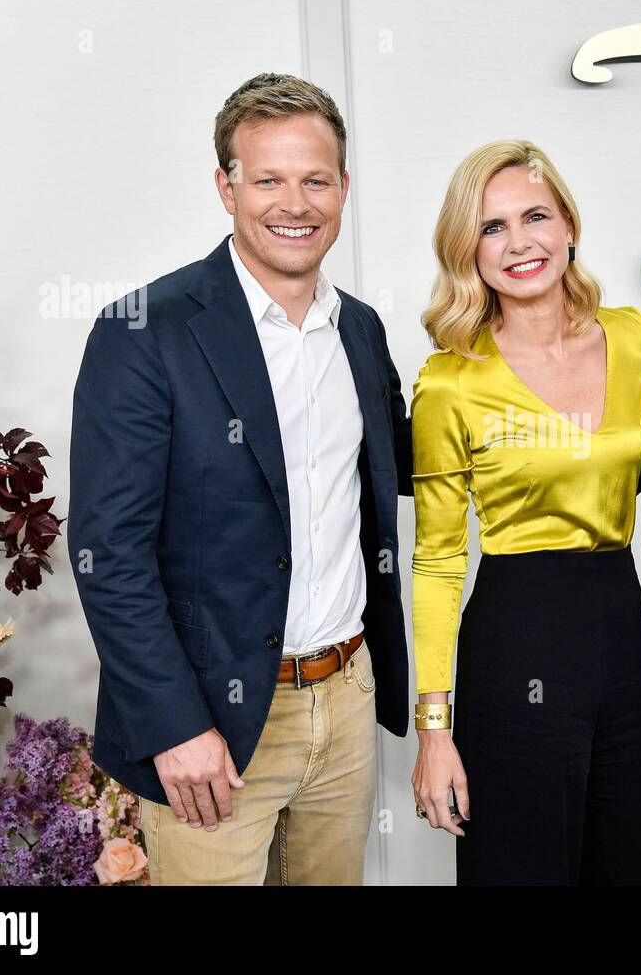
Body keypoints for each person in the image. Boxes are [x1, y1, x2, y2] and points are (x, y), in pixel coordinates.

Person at [68, 73, 412, 885]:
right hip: (211, 722)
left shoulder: (360, 329)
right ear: (226, 187)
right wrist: (172, 725)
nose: (294, 203)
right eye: (267, 179)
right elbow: (108, 551)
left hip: (347, 693)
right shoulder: (144, 332)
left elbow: (403, 470)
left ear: (344, 188)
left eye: (314, 179)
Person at [409, 139, 641, 885]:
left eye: (534, 215)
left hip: (628, 646)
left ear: (569, 222)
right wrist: (434, 730)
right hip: (515, 648)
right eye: (492, 227)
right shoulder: (449, 383)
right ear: (468, 250)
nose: (519, 242)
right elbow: (437, 560)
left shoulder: (634, 338)